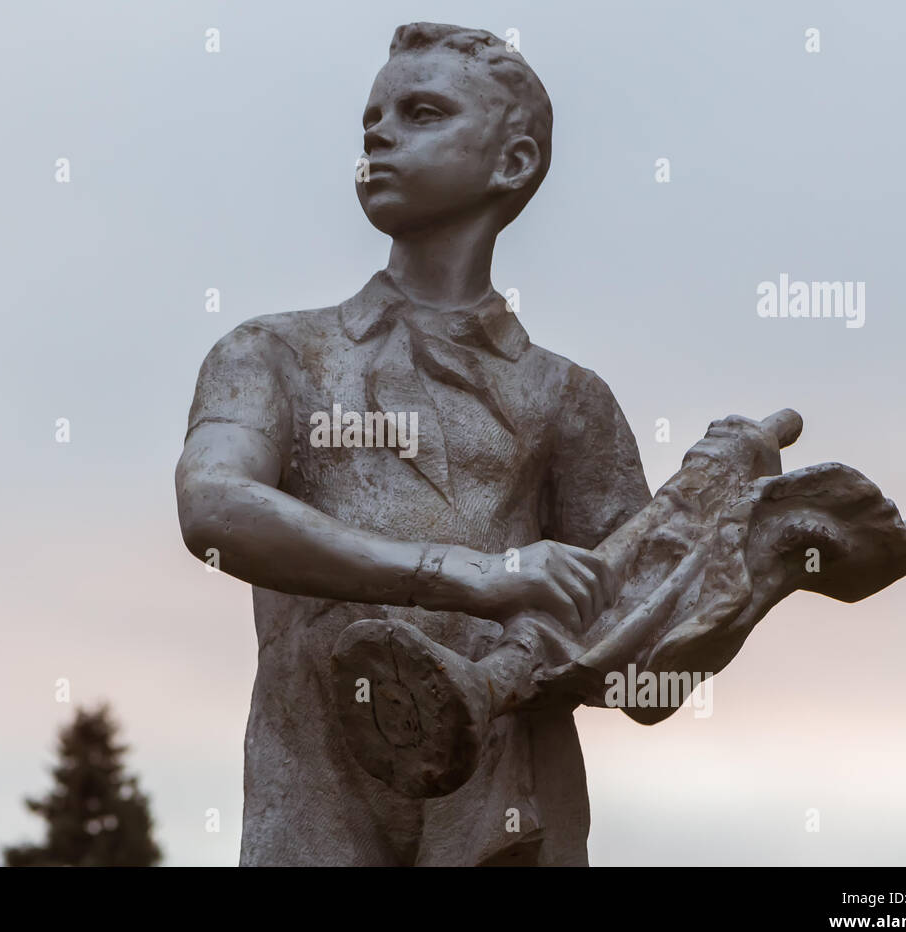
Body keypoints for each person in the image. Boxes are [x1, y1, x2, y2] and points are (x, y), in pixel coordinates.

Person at [176, 22, 652, 866]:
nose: (380, 135)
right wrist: (476, 576)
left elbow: (638, 664)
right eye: (371, 122)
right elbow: (214, 509)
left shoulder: (569, 399)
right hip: (316, 806)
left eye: (421, 113)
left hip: (507, 816)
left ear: (512, 163)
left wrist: (744, 546)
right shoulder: (273, 353)